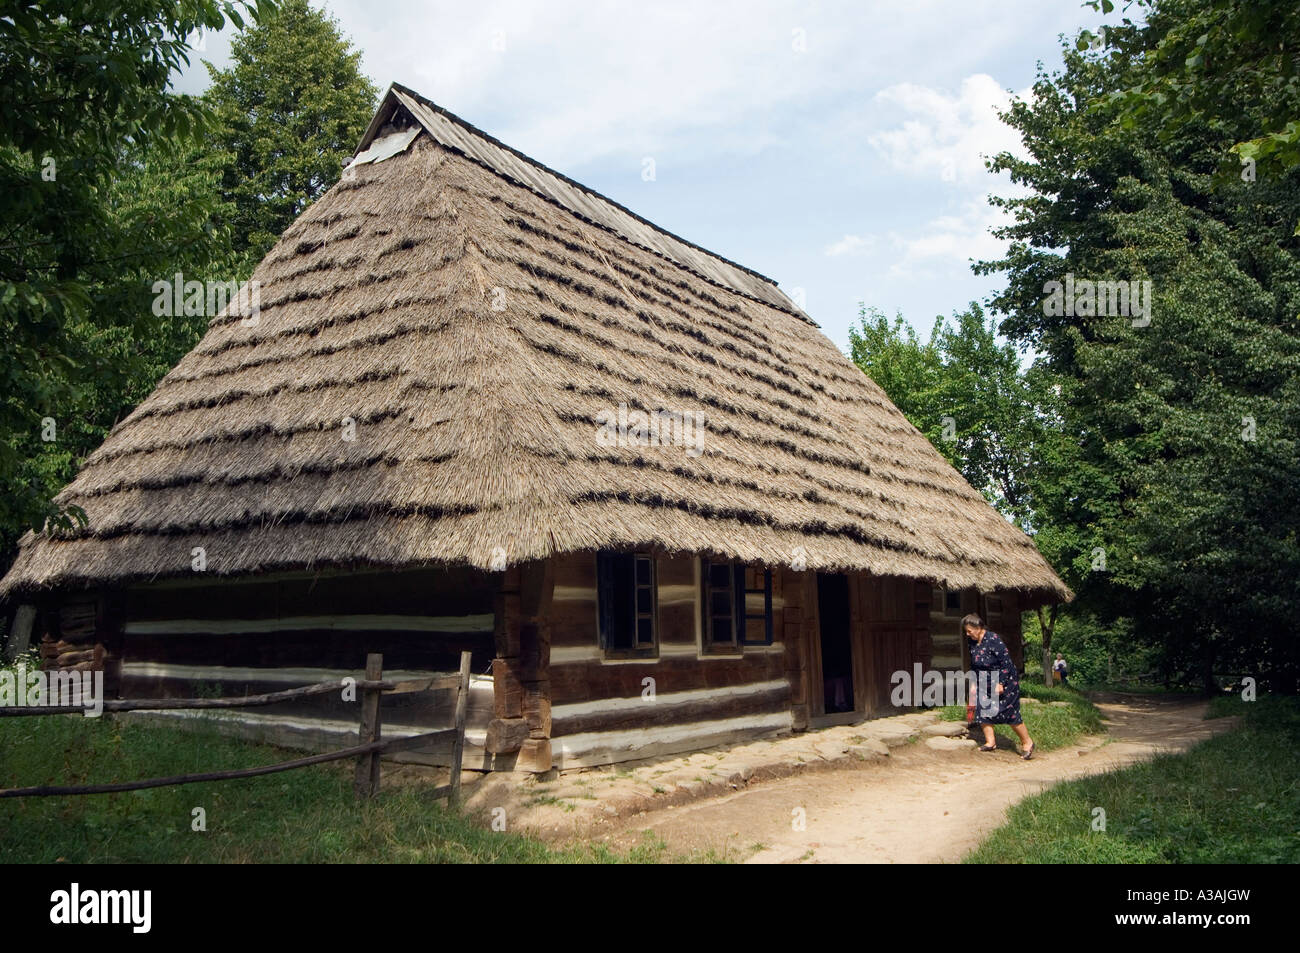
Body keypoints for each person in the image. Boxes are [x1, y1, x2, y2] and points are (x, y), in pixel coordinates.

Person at [963, 613, 1034, 759]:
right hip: (983, 678)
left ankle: (1027, 743)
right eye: (966, 631)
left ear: (978, 628)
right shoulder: (971, 641)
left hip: (1004, 679)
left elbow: (1006, 662)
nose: (967, 633)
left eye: (969, 630)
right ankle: (990, 742)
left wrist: (1000, 683)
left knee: (1009, 712)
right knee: (982, 709)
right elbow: (974, 663)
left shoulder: (993, 639)